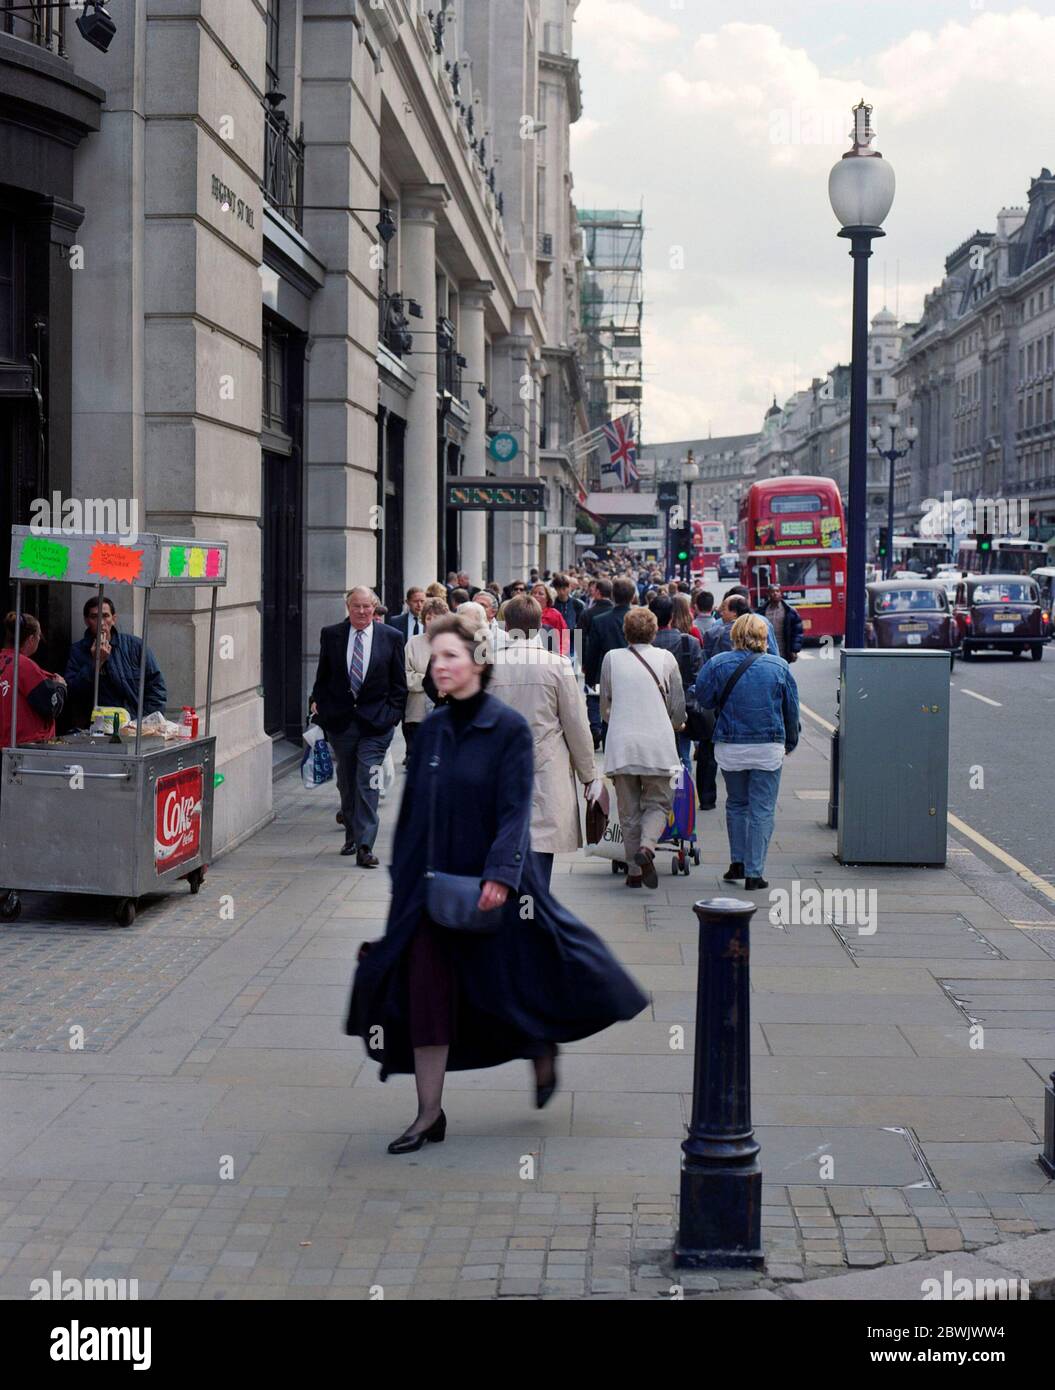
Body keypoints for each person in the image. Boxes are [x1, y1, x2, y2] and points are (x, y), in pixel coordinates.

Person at [345, 611, 648, 1153]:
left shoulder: (506, 729)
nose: (440, 667)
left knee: (515, 976)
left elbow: (515, 811)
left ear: (477, 665)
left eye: (450, 657)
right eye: (435, 658)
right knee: (428, 995)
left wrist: (502, 876)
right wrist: (402, 883)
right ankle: (427, 1114)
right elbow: (414, 812)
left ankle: (541, 1043)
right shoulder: (434, 729)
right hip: (431, 885)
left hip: (496, 878)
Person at [488, 595, 600, 889]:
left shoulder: (488, 666)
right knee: (538, 855)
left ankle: (510, 915)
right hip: (546, 768)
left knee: (502, 850)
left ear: (505, 625)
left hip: (498, 771)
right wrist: (588, 775)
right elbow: (577, 725)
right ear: (539, 626)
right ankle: (530, 915)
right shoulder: (557, 666)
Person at [694, 613, 800, 892]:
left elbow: (703, 698)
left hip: (731, 746)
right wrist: (790, 741)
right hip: (768, 746)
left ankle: (737, 863)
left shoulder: (717, 663)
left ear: (735, 634)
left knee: (736, 803)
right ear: (765, 636)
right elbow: (791, 709)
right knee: (762, 809)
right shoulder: (779, 666)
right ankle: (755, 873)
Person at [310, 586, 407, 864]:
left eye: (367, 607)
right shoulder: (332, 635)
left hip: (377, 724)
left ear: (375, 608)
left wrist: (391, 716)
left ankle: (366, 845)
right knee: (347, 782)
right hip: (341, 722)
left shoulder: (391, 637)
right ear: (348, 607)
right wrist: (320, 706)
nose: (362, 612)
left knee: (368, 779)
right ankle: (351, 834)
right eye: (357, 607)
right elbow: (323, 678)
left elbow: (398, 685)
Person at [600, 605, 686, 890]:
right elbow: (677, 707)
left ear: (626, 631)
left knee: (628, 811)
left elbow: (605, 707)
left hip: (622, 746)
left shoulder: (611, 659)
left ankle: (634, 871)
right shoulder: (667, 659)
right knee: (659, 804)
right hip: (658, 745)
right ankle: (648, 847)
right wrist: (676, 725)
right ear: (655, 630)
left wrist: (617, 719)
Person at [65, 594, 167, 724]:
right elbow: (73, 692)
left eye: (105, 616)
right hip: (97, 727)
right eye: (94, 617)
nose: (101, 623)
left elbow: (156, 687)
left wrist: (145, 722)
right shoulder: (78, 651)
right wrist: (96, 664)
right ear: (86, 621)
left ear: (113, 619)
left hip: (133, 723)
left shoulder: (135, 646)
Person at [650, 594, 702, 766]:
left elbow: (574, 636)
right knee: (682, 755)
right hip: (682, 708)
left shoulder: (645, 646)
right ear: (671, 616)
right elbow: (697, 678)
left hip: (652, 709)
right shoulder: (691, 643)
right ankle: (681, 790)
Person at [0, 612, 67, 743]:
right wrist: (60, 686)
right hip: (24, 746)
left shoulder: (6, 661)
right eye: (39, 636)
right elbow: (50, 705)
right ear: (31, 639)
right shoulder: (24, 666)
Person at [403, 596, 448, 763]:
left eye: (436, 618)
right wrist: (429, 681)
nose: (432, 622)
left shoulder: (450, 644)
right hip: (416, 712)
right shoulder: (413, 643)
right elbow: (405, 675)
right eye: (428, 618)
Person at [703, 594, 779, 661]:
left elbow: (706, 664)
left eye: (724, 609)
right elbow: (773, 653)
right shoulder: (762, 625)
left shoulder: (714, 633)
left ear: (734, 613)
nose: (721, 613)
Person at [759, 583, 803, 663]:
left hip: (783, 649)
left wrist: (794, 650)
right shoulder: (761, 611)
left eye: (777, 591)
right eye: (772, 591)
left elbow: (797, 632)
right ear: (768, 594)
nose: (775, 593)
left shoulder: (790, 611)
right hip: (766, 650)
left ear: (781, 593)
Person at [530, 582, 569, 657]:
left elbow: (564, 638)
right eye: (534, 593)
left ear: (547, 598)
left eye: (540, 593)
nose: (536, 595)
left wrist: (560, 656)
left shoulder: (555, 615)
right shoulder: (525, 613)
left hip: (550, 657)